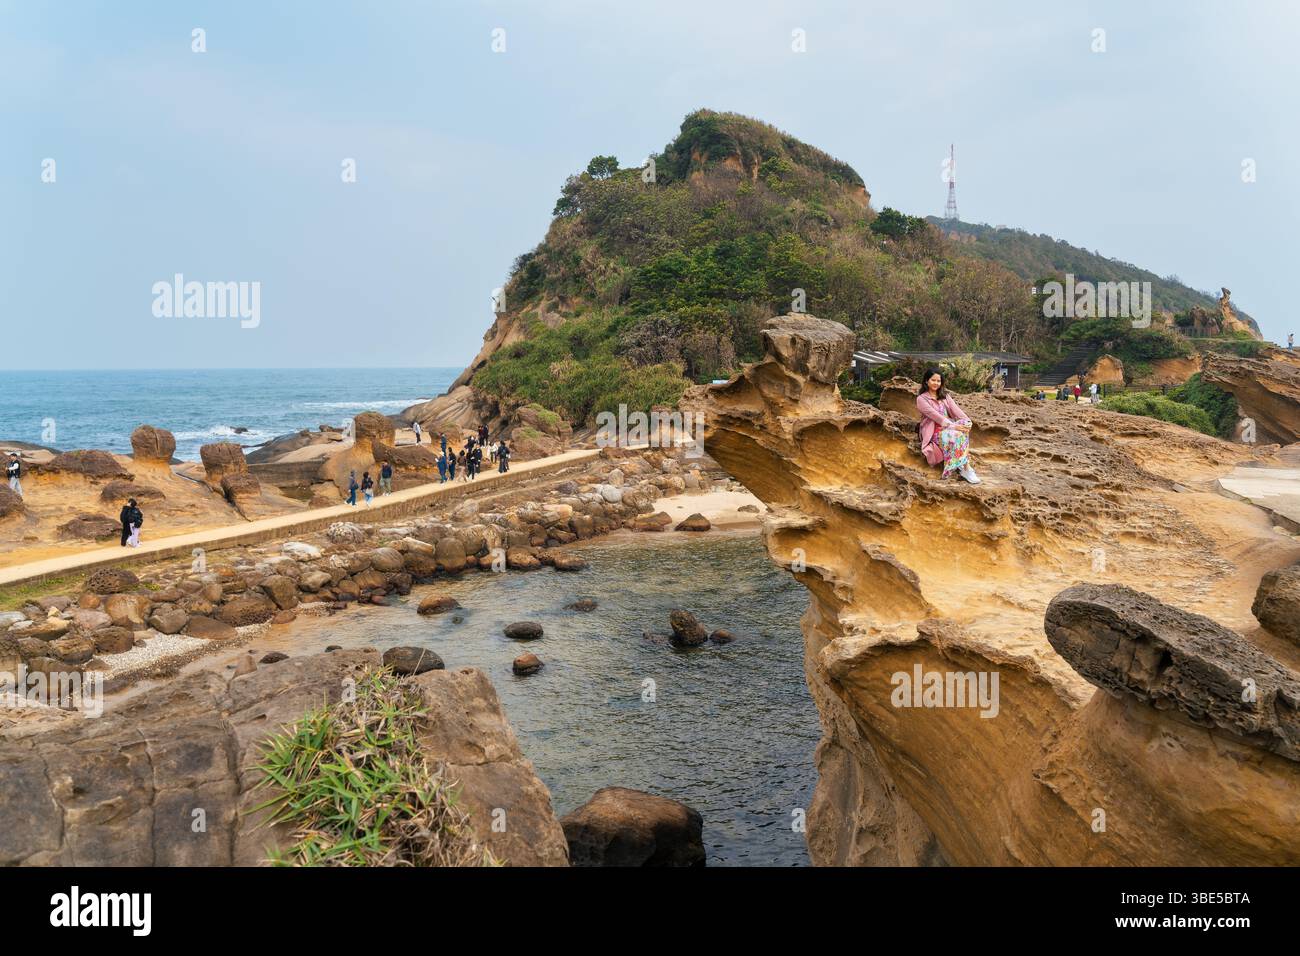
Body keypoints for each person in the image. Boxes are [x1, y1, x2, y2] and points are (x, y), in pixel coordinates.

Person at [916, 368, 980, 484]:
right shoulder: (921, 399)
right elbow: (936, 416)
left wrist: (967, 422)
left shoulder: (945, 396)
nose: (936, 383)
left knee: (963, 428)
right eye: (933, 380)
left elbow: (957, 411)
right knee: (957, 434)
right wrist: (953, 426)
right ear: (926, 381)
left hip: (950, 427)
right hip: (935, 432)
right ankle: (966, 468)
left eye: (938, 381)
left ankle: (961, 463)